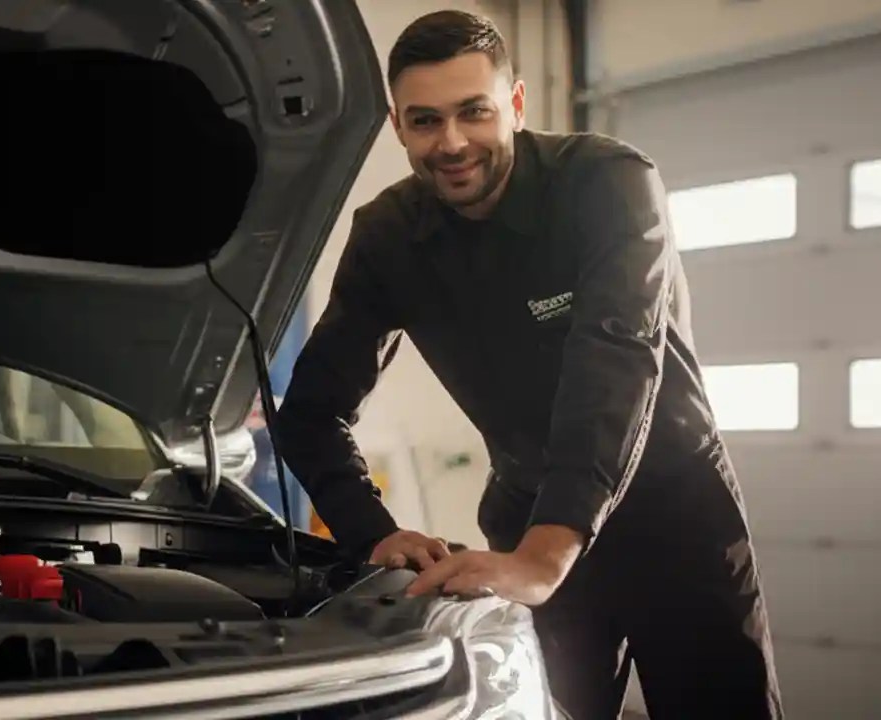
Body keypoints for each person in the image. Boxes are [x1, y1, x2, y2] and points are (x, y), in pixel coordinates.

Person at [275, 9, 783, 719]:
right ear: (397, 125)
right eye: (424, 121)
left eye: (473, 113)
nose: (451, 143)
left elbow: (614, 355)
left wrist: (548, 553)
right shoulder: (387, 238)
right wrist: (373, 532)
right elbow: (308, 413)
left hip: (675, 514)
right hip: (523, 512)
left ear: (515, 103)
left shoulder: (609, 183)